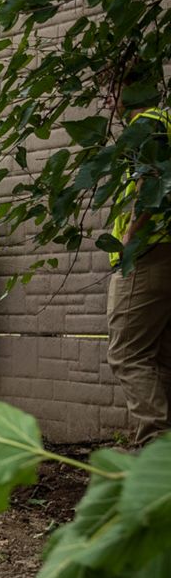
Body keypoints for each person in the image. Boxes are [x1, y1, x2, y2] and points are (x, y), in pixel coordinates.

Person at [103, 60, 171, 444]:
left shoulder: (144, 124)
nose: (109, 99)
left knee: (127, 354)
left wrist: (129, 240)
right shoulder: (165, 121)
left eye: (114, 88)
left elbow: (152, 183)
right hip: (166, 250)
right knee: (160, 358)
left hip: (148, 252)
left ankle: (155, 455)